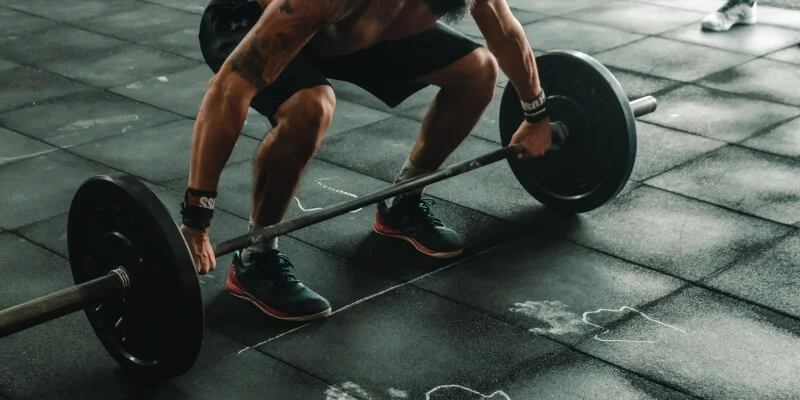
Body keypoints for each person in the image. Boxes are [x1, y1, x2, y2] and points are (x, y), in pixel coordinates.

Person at [181, 0, 553, 322]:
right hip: (248, 17)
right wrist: (197, 219)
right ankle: (256, 259)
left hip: (351, 32)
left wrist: (536, 114)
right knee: (311, 108)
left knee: (478, 70)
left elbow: (504, 33)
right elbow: (228, 90)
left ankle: (402, 203)